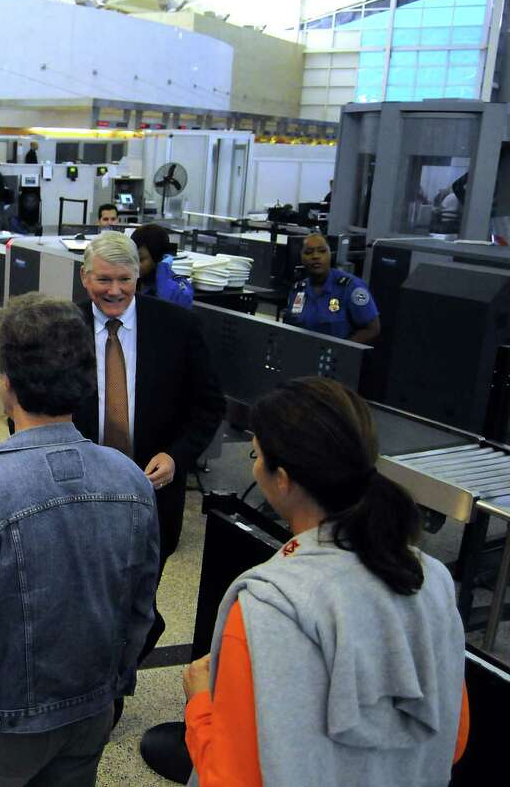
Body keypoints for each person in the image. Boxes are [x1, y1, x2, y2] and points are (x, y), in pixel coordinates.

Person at [0, 293, 161, 787]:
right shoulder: (131, 482)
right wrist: (112, 691)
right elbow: (140, 609)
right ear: (87, 381)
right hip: (88, 717)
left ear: (6, 384)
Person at [183, 377, 469, 787]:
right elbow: (451, 740)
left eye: (256, 454)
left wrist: (201, 705)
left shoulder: (270, 608)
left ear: (281, 479)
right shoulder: (431, 580)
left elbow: (232, 779)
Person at [75, 232, 223, 660]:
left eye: (125, 279)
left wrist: (177, 456)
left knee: (136, 596)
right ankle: (106, 685)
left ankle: (128, 652)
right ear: (85, 278)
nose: (115, 290)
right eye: (104, 279)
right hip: (84, 490)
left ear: (139, 276)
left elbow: (208, 406)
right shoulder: (65, 329)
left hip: (153, 495)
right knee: (92, 597)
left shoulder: (178, 328)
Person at [284, 233, 379, 343]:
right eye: (308, 252)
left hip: (336, 355)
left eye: (322, 251)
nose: (315, 256)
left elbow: (373, 328)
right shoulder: (298, 290)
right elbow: (289, 328)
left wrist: (342, 350)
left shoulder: (351, 287)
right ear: (301, 257)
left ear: (330, 254)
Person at [131, 223, 193, 308]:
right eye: (132, 258)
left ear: (158, 258)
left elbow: (167, 309)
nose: (134, 264)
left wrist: (163, 268)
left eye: (141, 259)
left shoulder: (179, 287)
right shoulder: (133, 281)